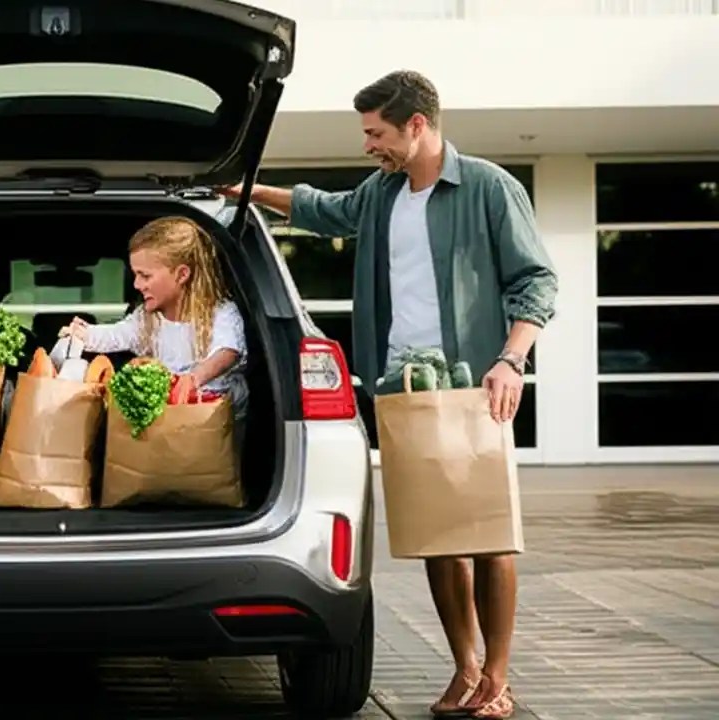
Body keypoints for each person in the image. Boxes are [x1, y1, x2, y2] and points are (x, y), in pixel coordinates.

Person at [223, 70, 557, 720]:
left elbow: (536, 281)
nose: (369, 145)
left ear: (416, 124)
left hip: (475, 387)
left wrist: (511, 360)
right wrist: (243, 191)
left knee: (490, 538)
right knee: (436, 540)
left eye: (376, 133)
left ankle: (498, 679)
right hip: (402, 391)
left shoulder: (487, 187)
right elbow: (321, 208)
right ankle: (463, 670)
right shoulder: (381, 194)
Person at [63, 216, 248, 434]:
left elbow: (227, 351)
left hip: (214, 421)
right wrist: (85, 334)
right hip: (168, 420)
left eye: (145, 276)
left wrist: (193, 379)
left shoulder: (220, 312)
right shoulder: (147, 319)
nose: (137, 285)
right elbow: (117, 335)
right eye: (135, 275)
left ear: (181, 274)